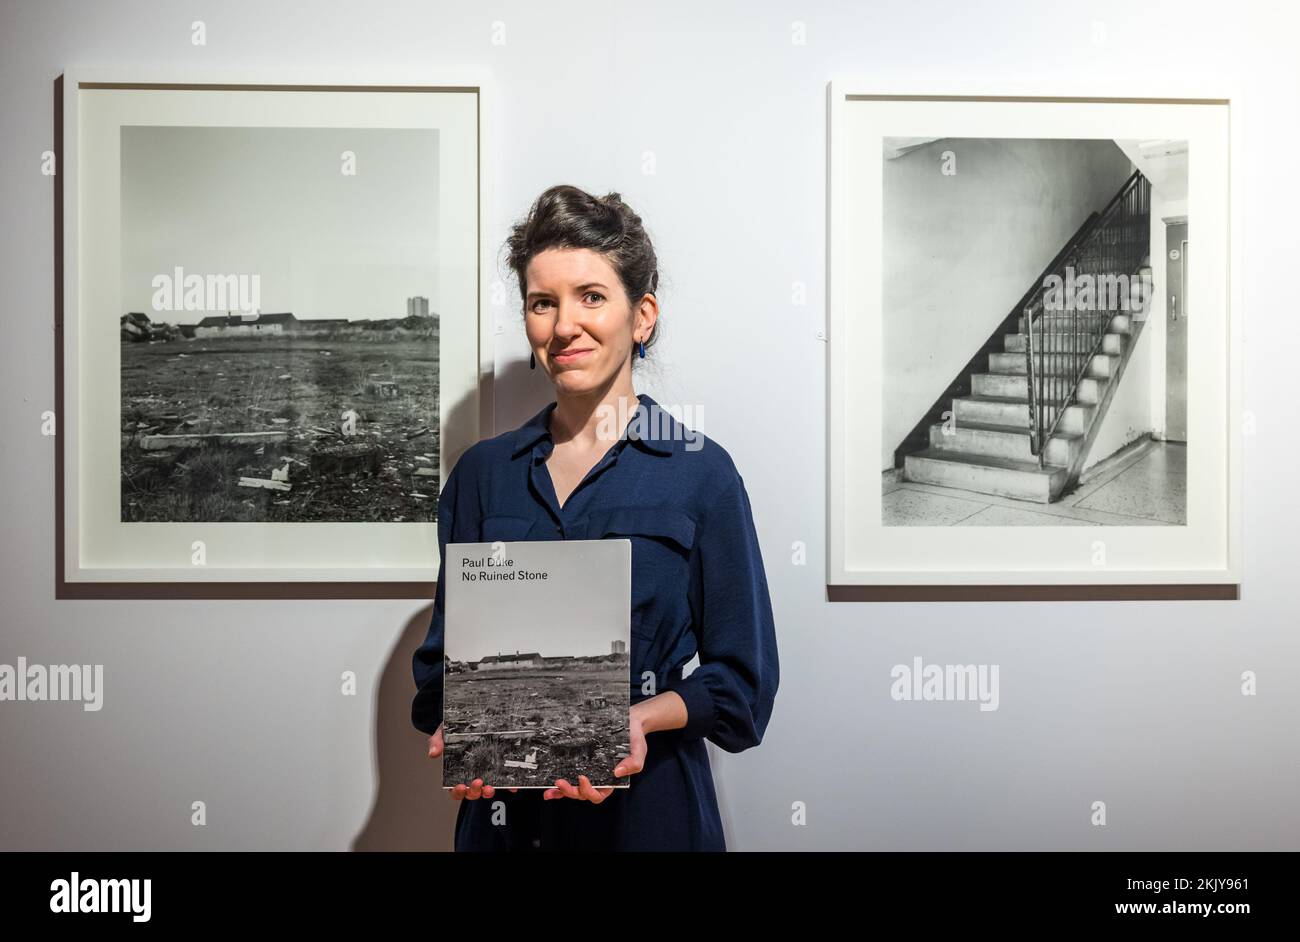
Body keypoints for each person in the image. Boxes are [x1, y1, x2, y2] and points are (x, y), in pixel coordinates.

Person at [410, 184, 779, 851]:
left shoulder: (702, 473)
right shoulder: (481, 476)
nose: (563, 325)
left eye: (591, 296)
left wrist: (639, 719)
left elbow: (744, 685)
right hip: (504, 826)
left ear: (642, 317)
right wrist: (464, 730)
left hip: (651, 820)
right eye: (542, 302)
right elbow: (438, 669)